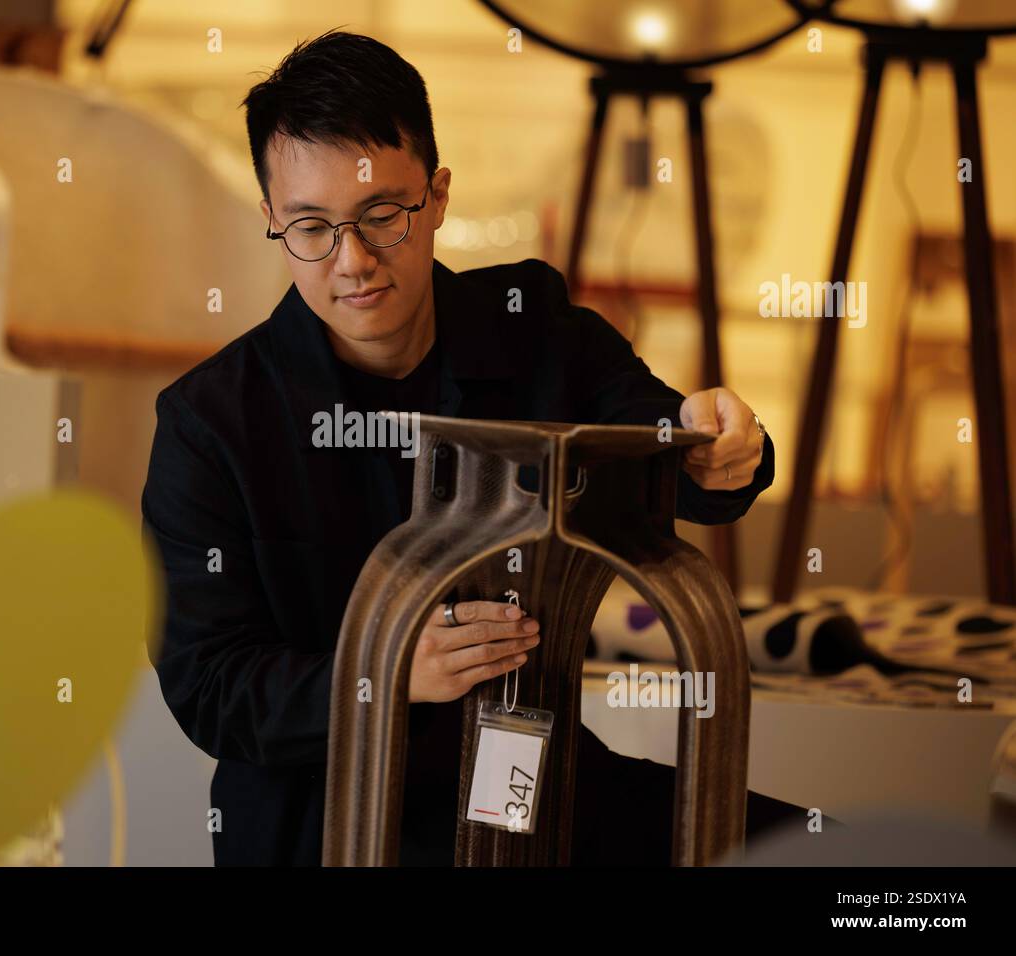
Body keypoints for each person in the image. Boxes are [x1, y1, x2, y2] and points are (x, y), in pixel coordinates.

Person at [142, 30, 801, 866]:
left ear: (439, 194)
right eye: (312, 226)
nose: (353, 262)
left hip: (537, 784)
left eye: (384, 214)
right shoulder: (212, 423)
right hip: (323, 816)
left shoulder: (533, 326)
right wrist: (388, 669)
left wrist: (725, 447)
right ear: (272, 217)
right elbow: (210, 688)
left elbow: (668, 448)